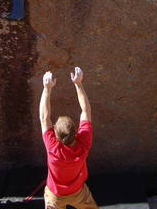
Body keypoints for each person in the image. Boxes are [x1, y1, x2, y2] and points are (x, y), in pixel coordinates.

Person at [39, 66, 98, 209]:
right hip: (78, 192)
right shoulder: (83, 142)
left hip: (55, 195)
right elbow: (86, 110)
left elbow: (44, 118)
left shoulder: (53, 147)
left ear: (56, 136)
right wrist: (78, 84)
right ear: (76, 131)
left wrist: (47, 89)